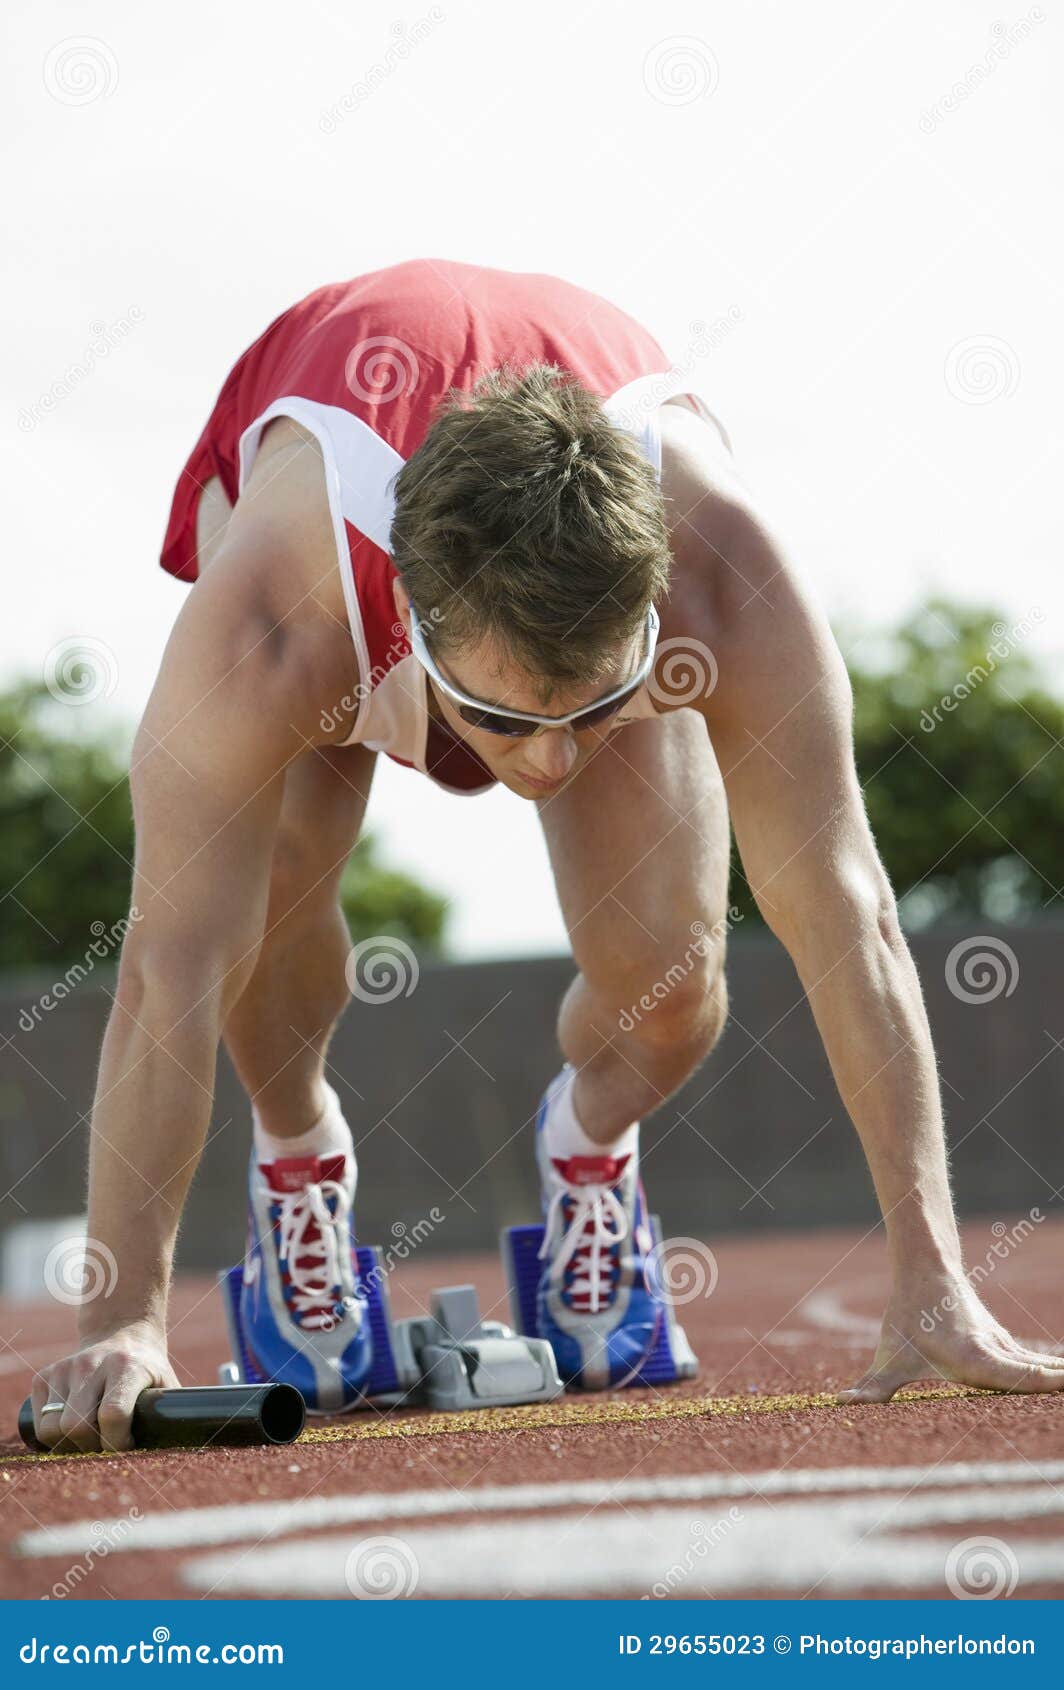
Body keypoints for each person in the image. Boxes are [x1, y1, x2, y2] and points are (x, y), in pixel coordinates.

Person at [31, 258, 1064, 1449]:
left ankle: (590, 1148)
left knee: (668, 984)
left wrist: (933, 1273)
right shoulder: (274, 613)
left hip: (573, 575)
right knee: (259, 916)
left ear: (651, 598)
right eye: (504, 721)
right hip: (317, 475)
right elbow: (166, 971)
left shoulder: (728, 576)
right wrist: (124, 1320)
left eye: (591, 709)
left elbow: (847, 913)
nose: (546, 766)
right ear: (412, 620)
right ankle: (298, 1155)